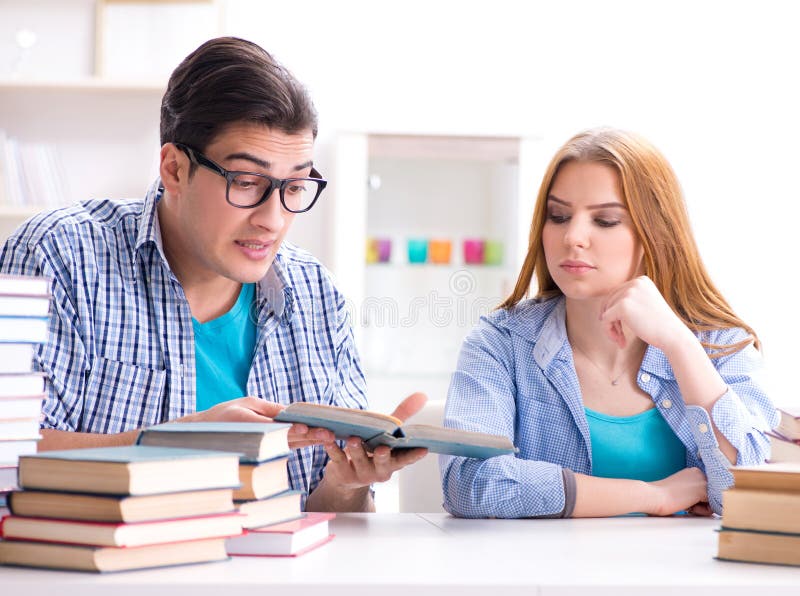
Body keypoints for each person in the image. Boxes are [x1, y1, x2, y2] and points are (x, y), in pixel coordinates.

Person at [0, 37, 427, 512]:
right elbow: (8, 459)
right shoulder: (61, 256)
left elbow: (329, 519)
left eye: (296, 186)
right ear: (174, 169)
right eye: (246, 182)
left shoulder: (316, 294)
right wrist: (176, 445)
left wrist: (347, 483)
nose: (273, 218)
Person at [440, 127, 777, 518]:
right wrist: (652, 495)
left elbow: (750, 492)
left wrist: (681, 345)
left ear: (656, 233)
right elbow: (469, 482)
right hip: (547, 577)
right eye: (559, 216)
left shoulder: (720, 344)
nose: (573, 237)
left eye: (605, 220)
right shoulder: (500, 342)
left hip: (683, 579)